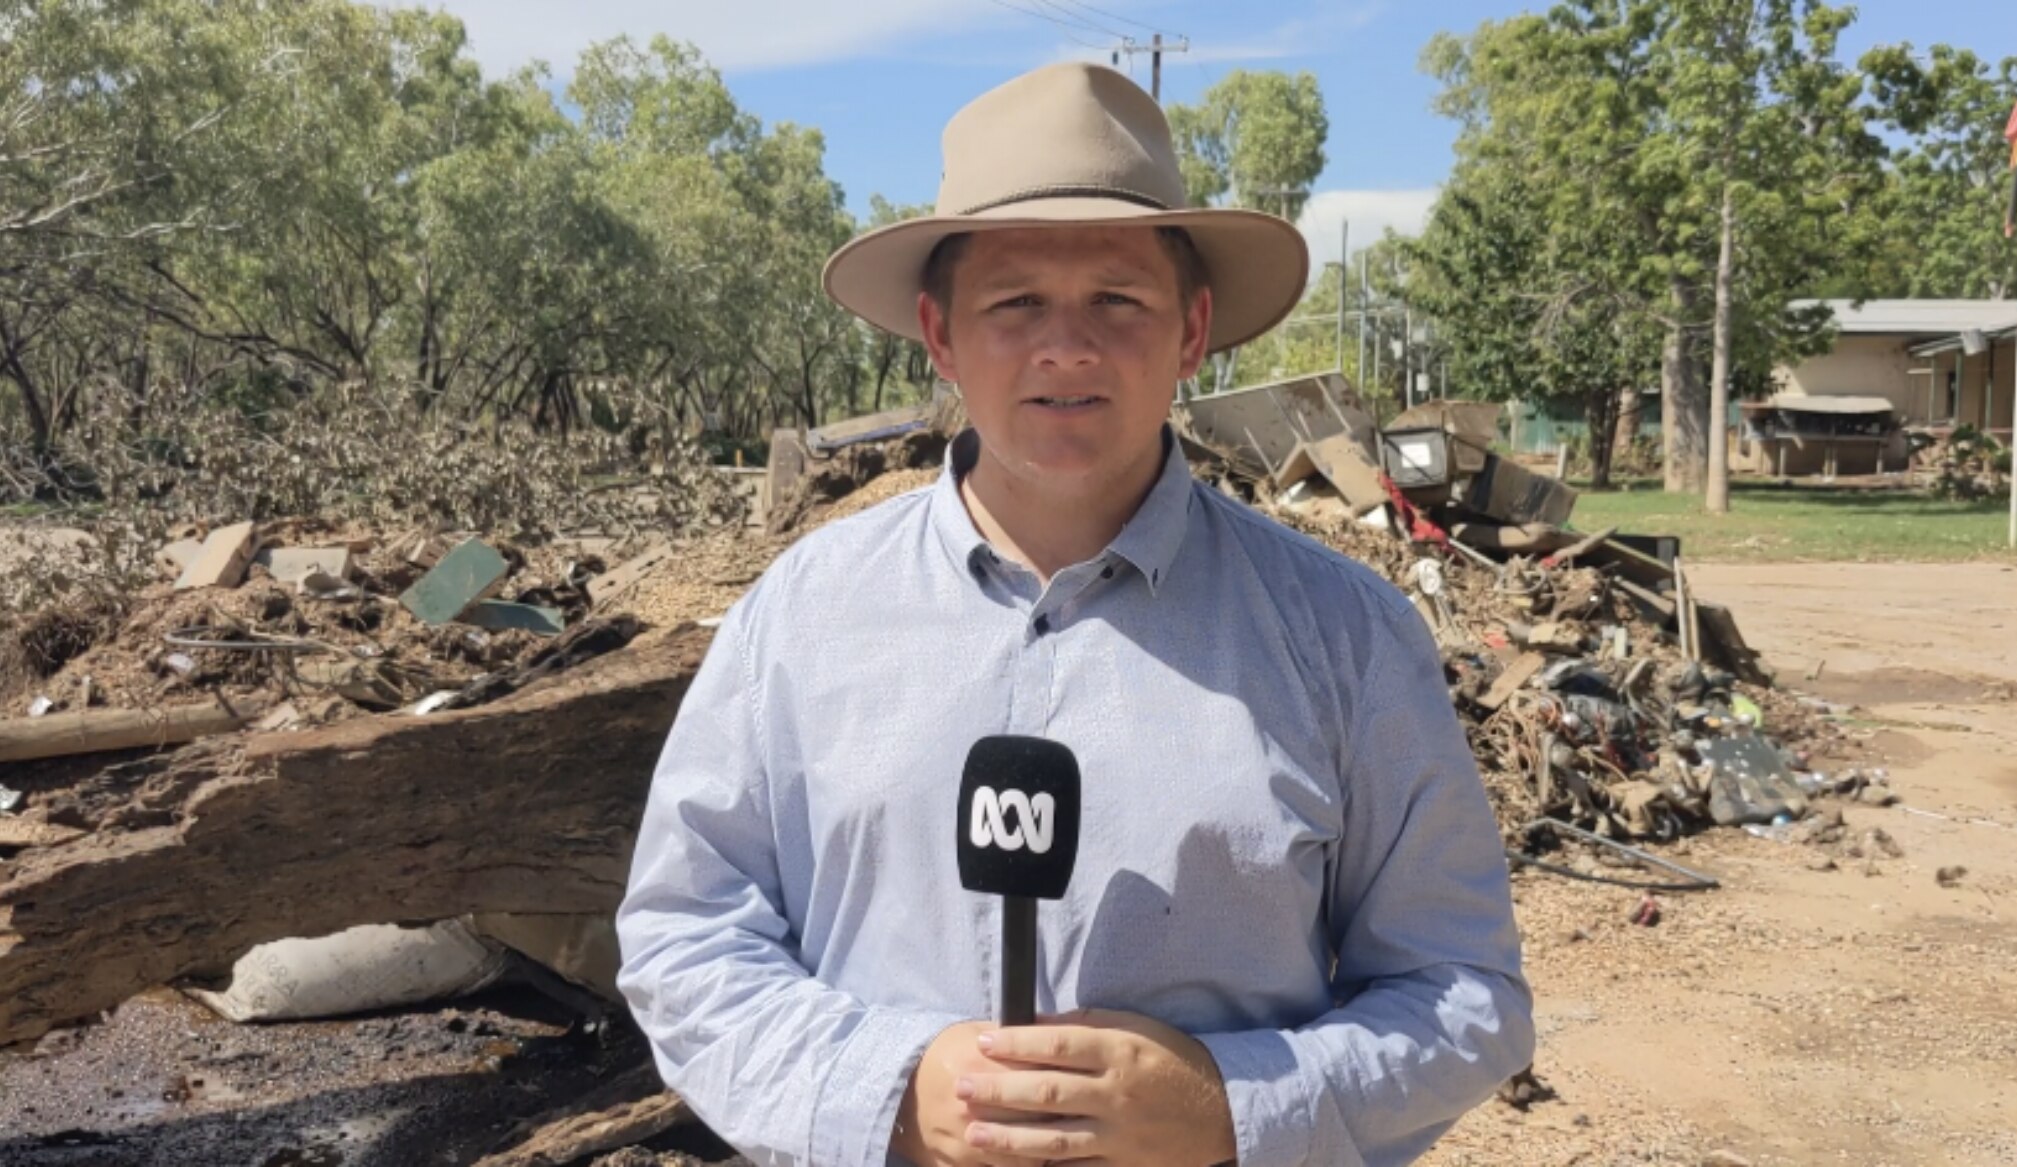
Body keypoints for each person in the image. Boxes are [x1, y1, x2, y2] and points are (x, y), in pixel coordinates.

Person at [616, 61, 1533, 1167]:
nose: (1065, 347)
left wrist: (1231, 1106)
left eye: (1116, 299)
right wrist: (888, 1093)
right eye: (1013, 304)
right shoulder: (800, 617)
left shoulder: (1346, 635)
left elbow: (1461, 993)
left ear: (1193, 331)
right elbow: (683, 940)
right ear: (939, 336)